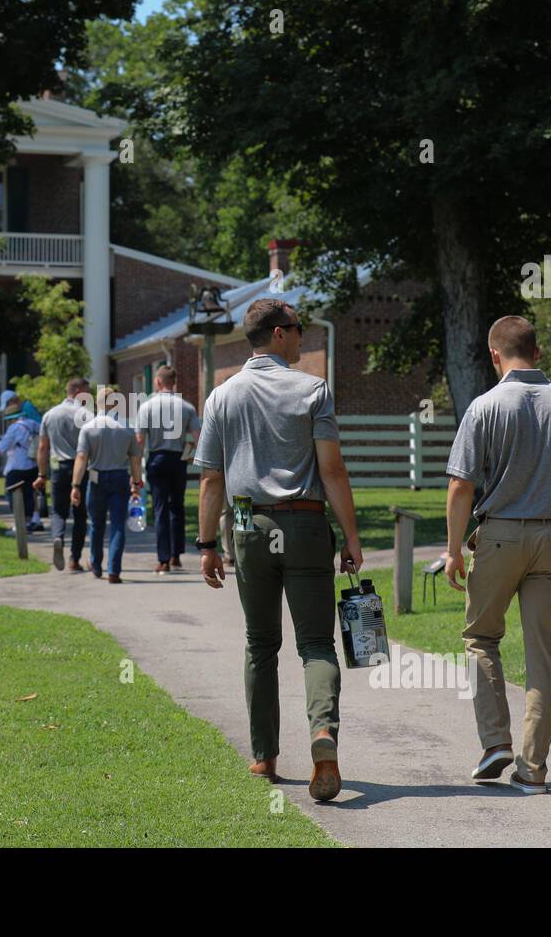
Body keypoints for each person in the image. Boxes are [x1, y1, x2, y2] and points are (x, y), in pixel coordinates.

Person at [193, 298, 364, 802]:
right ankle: (322, 734)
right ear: (280, 334)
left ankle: (264, 755)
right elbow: (332, 471)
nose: (303, 337)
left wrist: (207, 544)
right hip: (305, 522)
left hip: (248, 521)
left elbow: (211, 478)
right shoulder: (313, 389)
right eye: (297, 328)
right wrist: (352, 537)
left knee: (259, 644)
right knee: (315, 645)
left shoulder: (221, 397)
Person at [445, 315, 551, 795]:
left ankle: (495, 741)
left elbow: (460, 486)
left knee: (481, 639)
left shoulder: (484, 407)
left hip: (498, 537)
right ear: (537, 352)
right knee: (544, 657)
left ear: (496, 355)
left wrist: (452, 550)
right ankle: (533, 768)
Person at [71, 385, 143, 583]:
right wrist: (136, 483)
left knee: (96, 524)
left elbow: (81, 458)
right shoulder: (127, 428)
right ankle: (114, 570)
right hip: (120, 477)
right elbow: (135, 459)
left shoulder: (88, 428)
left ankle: (95, 564)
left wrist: (75, 486)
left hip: (96, 478)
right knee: (118, 525)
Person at [135, 365, 201, 573]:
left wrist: (135, 469)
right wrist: (189, 455)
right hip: (177, 459)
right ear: (174, 383)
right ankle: (176, 555)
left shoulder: (146, 407)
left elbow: (139, 441)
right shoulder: (187, 407)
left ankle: (163, 558)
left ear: (157, 382)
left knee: (160, 508)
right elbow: (199, 438)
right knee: (177, 507)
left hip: (156, 459)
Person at [34, 378, 93, 571]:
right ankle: (74, 559)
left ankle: (58, 537)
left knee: (58, 510)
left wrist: (42, 474)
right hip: (80, 468)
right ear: (77, 392)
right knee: (80, 513)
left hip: (57, 466)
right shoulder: (87, 415)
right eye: (86, 392)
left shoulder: (50, 415)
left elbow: (43, 448)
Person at [0, 398, 43, 535]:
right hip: (33, 465)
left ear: (11, 418)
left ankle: (19, 526)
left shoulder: (14, 428)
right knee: (29, 496)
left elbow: (1, 447)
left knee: (12, 496)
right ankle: (28, 524)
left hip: (17, 467)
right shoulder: (35, 424)